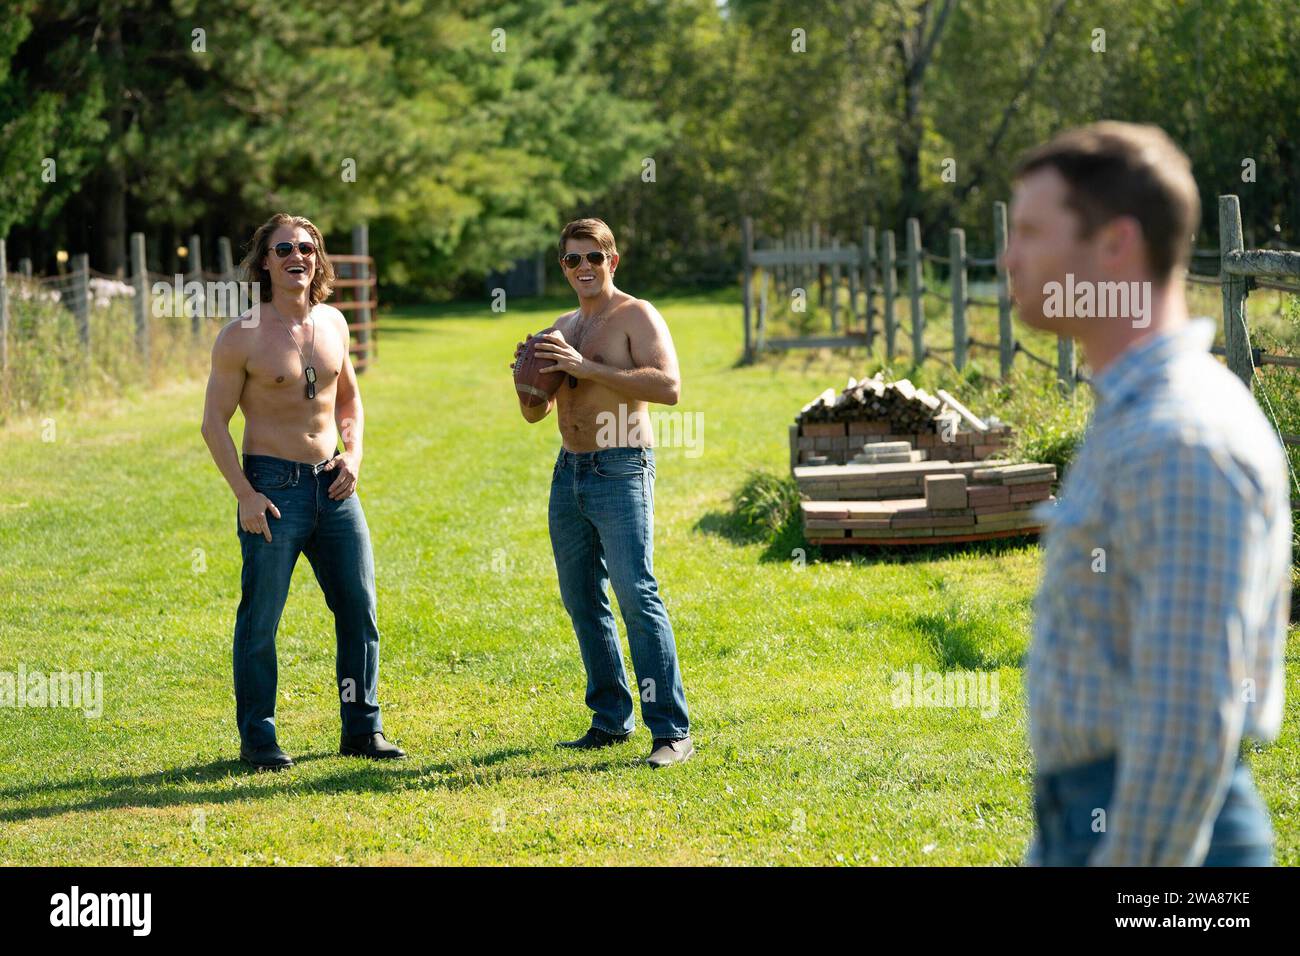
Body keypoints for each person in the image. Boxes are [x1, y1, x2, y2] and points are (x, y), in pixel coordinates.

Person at [1005, 122, 1291, 864]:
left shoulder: (1182, 438)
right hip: (1095, 814)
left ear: (1115, 246)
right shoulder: (1133, 415)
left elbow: (1191, 713)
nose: (1009, 258)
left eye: (1031, 231)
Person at [201, 213, 404, 770]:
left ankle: (362, 729)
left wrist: (355, 457)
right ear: (264, 261)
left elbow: (349, 401)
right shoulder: (240, 334)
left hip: (334, 486)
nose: (297, 256)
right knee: (261, 617)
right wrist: (244, 494)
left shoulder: (335, 322)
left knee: (358, 609)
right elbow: (214, 423)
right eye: (284, 247)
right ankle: (259, 738)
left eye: (307, 248)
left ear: (318, 259)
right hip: (272, 489)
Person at [514, 217, 693, 767]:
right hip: (569, 469)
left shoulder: (635, 314)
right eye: (573, 259)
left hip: (621, 465)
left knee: (636, 593)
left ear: (612, 261)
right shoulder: (563, 324)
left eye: (594, 257)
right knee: (581, 598)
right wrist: (525, 382)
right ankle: (611, 718)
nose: (584, 267)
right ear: (563, 267)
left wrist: (585, 366)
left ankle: (671, 731)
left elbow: (668, 387)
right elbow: (534, 413)